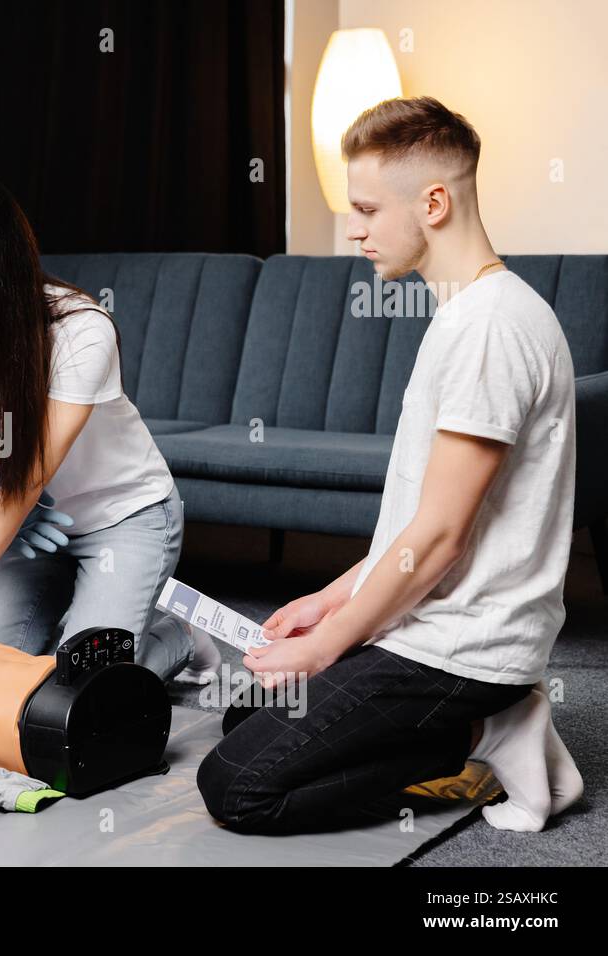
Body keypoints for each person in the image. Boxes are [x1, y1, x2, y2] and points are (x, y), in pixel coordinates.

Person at [197, 97, 584, 834]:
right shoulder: (463, 312)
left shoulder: (491, 330)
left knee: (239, 786)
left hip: (463, 648)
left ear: (434, 202)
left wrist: (325, 649)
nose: (354, 229)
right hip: (425, 622)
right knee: (250, 711)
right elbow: (417, 520)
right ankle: (469, 730)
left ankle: (484, 734)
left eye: (368, 209)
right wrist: (329, 603)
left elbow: (438, 538)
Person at [0, 175, 213, 683]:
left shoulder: (82, 331)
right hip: (26, 532)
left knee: (82, 684)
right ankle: (98, 625)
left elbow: (27, 477)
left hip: (122, 516)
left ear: (2, 270)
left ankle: (176, 635)